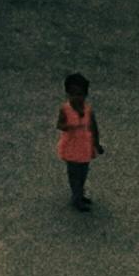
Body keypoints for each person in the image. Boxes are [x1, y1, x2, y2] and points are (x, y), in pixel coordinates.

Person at [57, 71, 103, 210]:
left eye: (80, 94)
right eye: (73, 94)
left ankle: (79, 193)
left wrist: (96, 144)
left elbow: (94, 127)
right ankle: (76, 198)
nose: (77, 98)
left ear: (85, 94)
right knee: (73, 174)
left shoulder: (88, 110)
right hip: (71, 146)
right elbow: (60, 125)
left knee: (83, 173)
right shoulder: (65, 109)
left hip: (84, 146)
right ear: (68, 94)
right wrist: (70, 126)